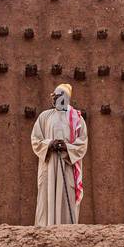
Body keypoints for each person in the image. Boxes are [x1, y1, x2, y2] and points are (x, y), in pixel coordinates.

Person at [30, 83, 88, 226]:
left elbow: (82, 143)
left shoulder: (77, 119)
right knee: (46, 197)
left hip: (67, 166)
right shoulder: (44, 117)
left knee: (66, 196)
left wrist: (67, 148)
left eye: (57, 96)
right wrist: (50, 144)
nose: (54, 98)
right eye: (53, 96)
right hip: (48, 166)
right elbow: (35, 139)